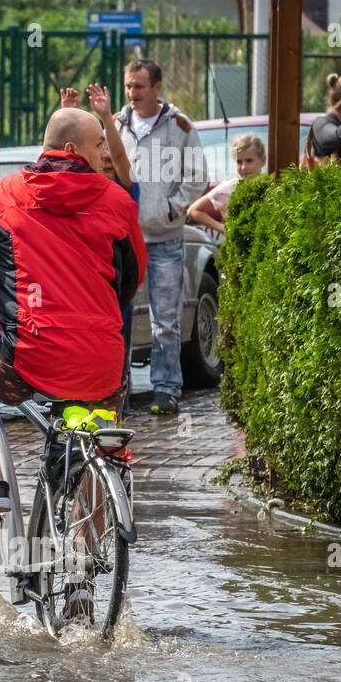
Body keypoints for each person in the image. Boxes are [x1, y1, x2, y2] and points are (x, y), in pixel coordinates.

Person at [0, 108, 146, 521]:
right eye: (100, 145)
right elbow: (132, 278)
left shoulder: (3, 195)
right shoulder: (118, 202)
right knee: (98, 438)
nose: (106, 153)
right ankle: (81, 575)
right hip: (102, 362)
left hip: (27, 356)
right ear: (73, 149)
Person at [115, 58, 205, 417]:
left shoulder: (180, 127)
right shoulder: (118, 125)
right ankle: (117, 392)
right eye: (127, 86)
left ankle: (166, 388)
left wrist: (173, 208)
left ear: (156, 86)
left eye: (138, 86)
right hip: (125, 242)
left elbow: (197, 175)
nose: (132, 94)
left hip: (166, 240)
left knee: (164, 320)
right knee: (118, 320)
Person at [61, 83, 140, 415]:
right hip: (79, 286)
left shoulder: (122, 187)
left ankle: (115, 414)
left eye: (109, 150)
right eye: (99, 150)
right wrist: (66, 112)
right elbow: (54, 155)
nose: (106, 156)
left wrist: (106, 116)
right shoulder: (76, 184)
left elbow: (121, 158)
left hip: (114, 286)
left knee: (114, 351)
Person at [187, 134, 265, 236]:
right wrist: (223, 229)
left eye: (249, 161)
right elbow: (193, 210)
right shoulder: (229, 188)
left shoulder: (270, 186)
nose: (243, 167)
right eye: (239, 162)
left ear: (263, 161)